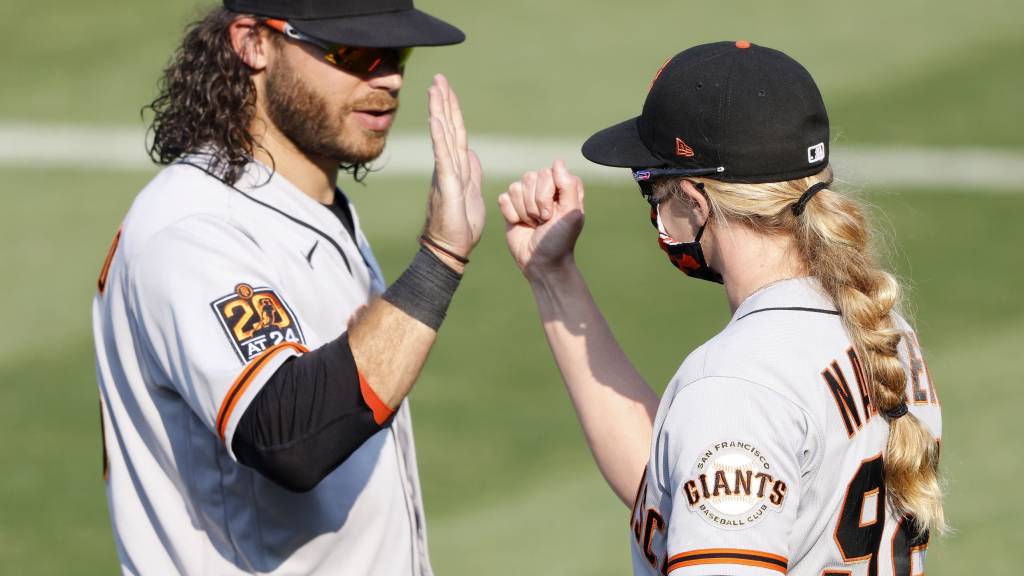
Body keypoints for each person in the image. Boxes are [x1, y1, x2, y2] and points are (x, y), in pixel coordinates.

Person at [498, 41, 944, 575]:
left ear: (694, 200)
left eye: (654, 191)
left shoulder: (736, 383)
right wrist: (555, 280)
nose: (656, 211)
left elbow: (725, 438)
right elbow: (675, 486)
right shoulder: (882, 330)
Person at [92, 0, 483, 573]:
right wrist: (439, 260)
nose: (389, 77)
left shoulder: (302, 204)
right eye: (352, 51)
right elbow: (289, 438)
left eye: (395, 52)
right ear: (252, 43)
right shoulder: (195, 231)